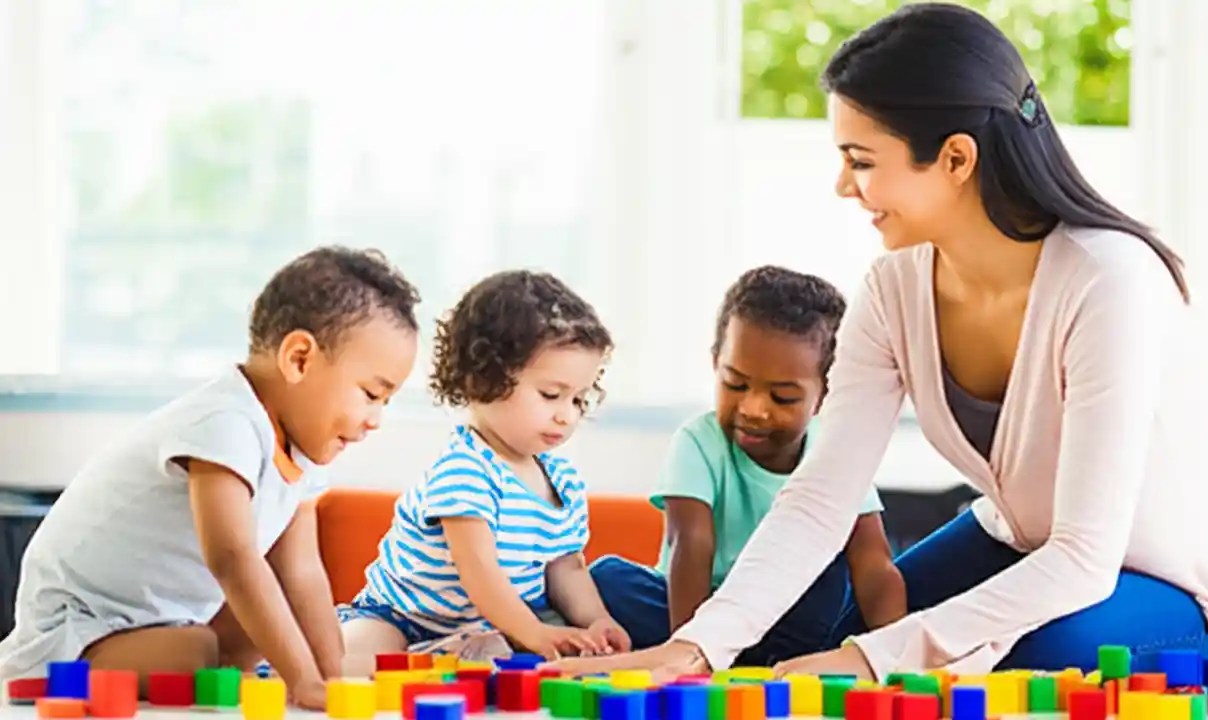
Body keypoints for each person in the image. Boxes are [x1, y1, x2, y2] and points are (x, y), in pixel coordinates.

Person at [552, 3, 1208, 682]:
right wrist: (696, 647)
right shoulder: (894, 288)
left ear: (956, 159)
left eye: (861, 160)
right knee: (837, 632)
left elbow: (1085, 557)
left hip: (1181, 590)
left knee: (1016, 656)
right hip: (1018, 547)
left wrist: (877, 659)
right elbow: (818, 500)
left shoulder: (1109, 281)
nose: (843, 184)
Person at [0, 247, 422, 708]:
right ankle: (49, 671)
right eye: (371, 394)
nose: (376, 419)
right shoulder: (225, 421)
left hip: (160, 620)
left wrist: (330, 676)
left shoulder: (300, 453)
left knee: (266, 621)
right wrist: (301, 680)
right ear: (299, 359)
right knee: (202, 650)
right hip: (82, 623)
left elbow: (302, 574)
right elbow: (232, 557)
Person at [588, 266, 905, 666]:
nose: (753, 409)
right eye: (735, 385)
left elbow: (873, 561)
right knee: (608, 579)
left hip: (787, 611)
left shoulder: (834, 449)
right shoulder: (699, 441)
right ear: (715, 363)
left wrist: (894, 650)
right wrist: (693, 648)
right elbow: (691, 543)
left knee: (834, 578)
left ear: (827, 393)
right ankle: (726, 656)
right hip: (696, 610)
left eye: (783, 397)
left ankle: (784, 656)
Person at [338, 270, 630, 677]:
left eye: (579, 399)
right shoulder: (466, 471)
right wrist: (533, 632)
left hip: (493, 628)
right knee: (353, 662)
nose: (566, 415)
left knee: (558, 661)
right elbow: (480, 572)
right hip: (401, 618)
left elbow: (567, 567)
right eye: (550, 395)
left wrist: (596, 621)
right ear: (482, 379)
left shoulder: (563, 480)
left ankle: (450, 662)